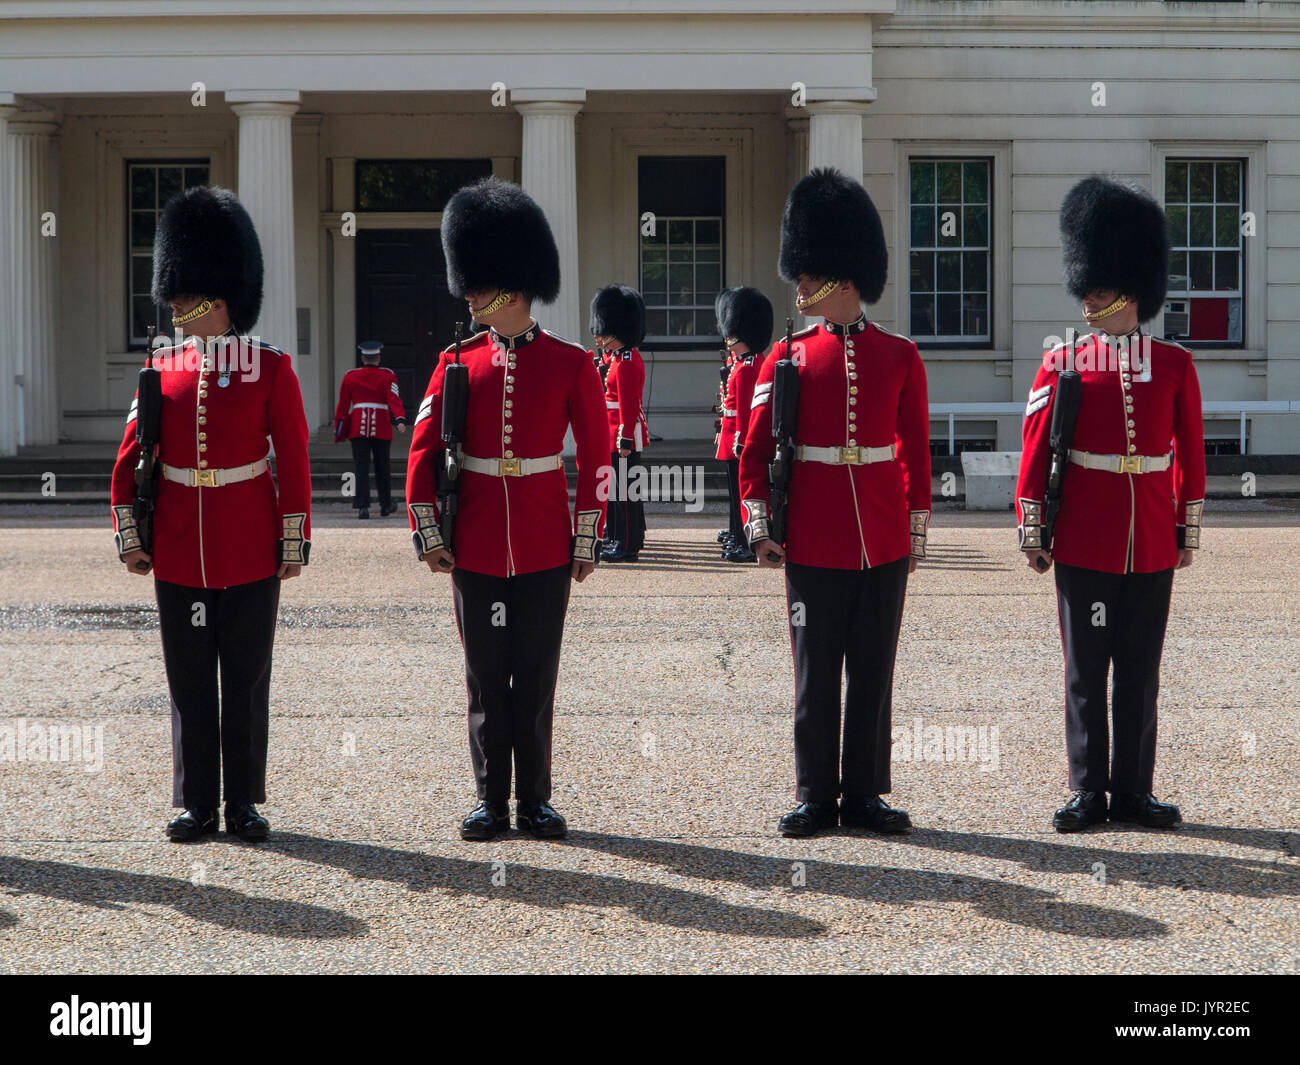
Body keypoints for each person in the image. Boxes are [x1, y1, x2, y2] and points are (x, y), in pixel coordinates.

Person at [405, 177, 608, 841]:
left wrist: (586, 539)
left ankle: (536, 800)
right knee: (487, 677)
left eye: (478, 282)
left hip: (547, 539)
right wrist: (429, 529)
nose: (466, 294)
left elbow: (597, 460)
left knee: (537, 675)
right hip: (479, 539)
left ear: (512, 286)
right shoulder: (456, 361)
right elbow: (423, 450)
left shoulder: (571, 362)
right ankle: (492, 799)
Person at [110, 185, 312, 843]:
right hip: (179, 544)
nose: (173, 304)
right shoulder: (162, 371)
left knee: (246, 679)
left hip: (250, 542)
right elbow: (131, 456)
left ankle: (244, 801)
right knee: (189, 680)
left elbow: (295, 460)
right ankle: (196, 800)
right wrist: (131, 535)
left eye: (184, 294)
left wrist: (292, 540)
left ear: (218, 298)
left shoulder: (270, 369)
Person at [739, 168, 931, 838]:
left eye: (809, 274)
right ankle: (816, 792)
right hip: (814, 537)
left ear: (844, 278)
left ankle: (866, 794)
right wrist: (761, 526)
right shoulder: (784, 359)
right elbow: (754, 453)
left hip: (880, 535)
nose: (798, 286)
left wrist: (913, 535)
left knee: (873, 670)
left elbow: (915, 453)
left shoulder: (900, 356)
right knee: (814, 670)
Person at [1017, 176, 1205, 833]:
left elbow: (1189, 456)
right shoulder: (1064, 360)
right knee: (1084, 672)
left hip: (1150, 537)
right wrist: (1034, 529)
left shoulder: (1175, 365)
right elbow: (1036, 449)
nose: (1091, 294)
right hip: (1087, 538)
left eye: (1102, 284)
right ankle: (1086, 789)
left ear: (1132, 287)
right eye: (1089, 283)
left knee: (1140, 674)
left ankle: (1132, 790)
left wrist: (1187, 529)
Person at [590, 284, 650, 563]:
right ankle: (622, 538)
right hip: (615, 431)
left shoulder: (626, 361)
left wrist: (625, 439)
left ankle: (627, 546)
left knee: (625, 494)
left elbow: (627, 405)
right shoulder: (618, 358)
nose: (602, 338)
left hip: (622, 434)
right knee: (618, 492)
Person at [715, 287, 773, 563]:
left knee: (742, 493)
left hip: (740, 439)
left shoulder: (749, 366)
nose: (729, 339)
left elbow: (748, 411)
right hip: (730, 436)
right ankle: (738, 535)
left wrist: (741, 440)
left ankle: (745, 540)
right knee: (735, 492)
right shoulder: (742, 363)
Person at [333, 340, 407, 518]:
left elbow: (343, 406)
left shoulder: (350, 376)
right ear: (378, 358)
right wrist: (399, 419)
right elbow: (393, 398)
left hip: (358, 427)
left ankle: (362, 507)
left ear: (362, 358)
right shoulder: (387, 375)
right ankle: (385, 504)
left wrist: (339, 429)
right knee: (383, 467)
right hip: (381, 426)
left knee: (361, 468)